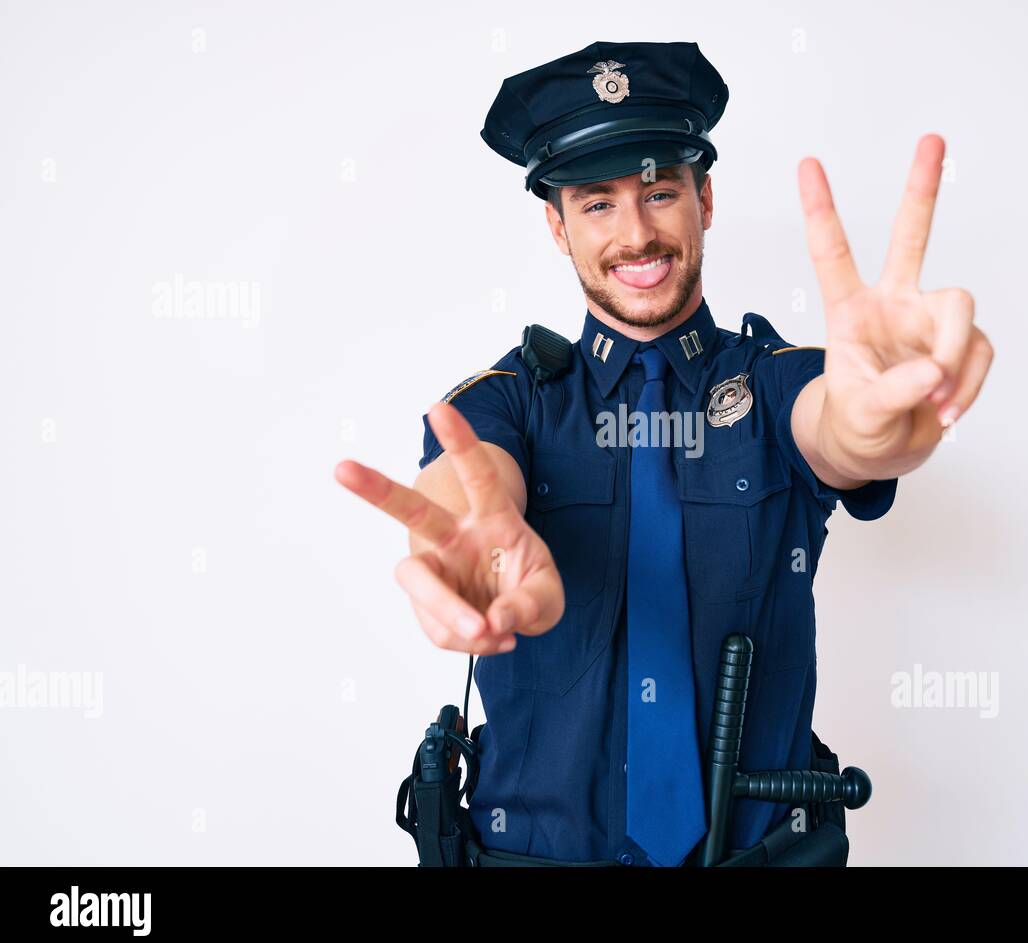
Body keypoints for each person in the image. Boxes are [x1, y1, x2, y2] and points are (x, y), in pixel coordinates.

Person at [335, 40, 993, 866]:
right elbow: (469, 488)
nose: (637, 234)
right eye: (598, 203)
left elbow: (834, 428)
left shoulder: (774, 382)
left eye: (658, 191)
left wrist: (867, 429)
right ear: (557, 224)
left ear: (704, 198)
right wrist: (476, 544)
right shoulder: (505, 403)